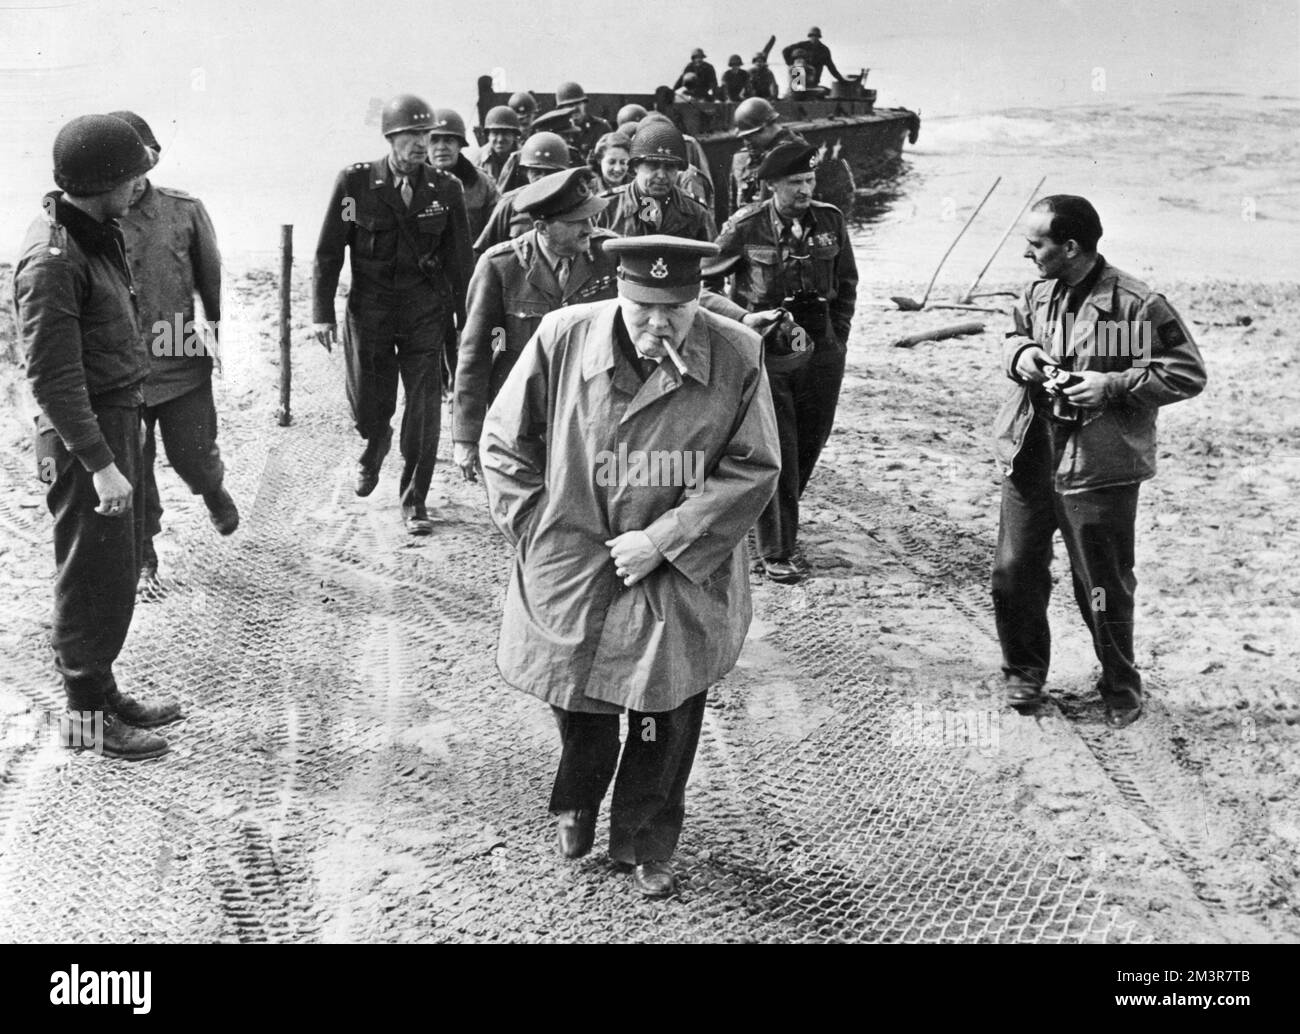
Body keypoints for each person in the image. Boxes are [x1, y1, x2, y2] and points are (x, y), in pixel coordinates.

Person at [480, 235, 780, 897]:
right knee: (578, 694)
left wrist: (666, 540)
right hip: (576, 552)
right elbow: (505, 441)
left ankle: (646, 841)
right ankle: (577, 802)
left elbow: (753, 467)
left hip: (676, 565)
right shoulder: (563, 336)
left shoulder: (737, 353)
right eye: (641, 307)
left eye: (673, 312)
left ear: (697, 299)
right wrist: (534, 528)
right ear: (617, 289)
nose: (655, 324)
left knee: (665, 710)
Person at [991, 195, 1206, 729]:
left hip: (1098, 462)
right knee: (1014, 571)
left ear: (1070, 247)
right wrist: (1022, 357)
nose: (1026, 253)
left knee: (1102, 583)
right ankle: (1024, 672)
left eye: (1035, 244)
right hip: (1031, 449)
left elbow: (1185, 372)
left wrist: (1110, 386)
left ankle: (1120, 684)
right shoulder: (1039, 291)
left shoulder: (1136, 304)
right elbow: (1013, 332)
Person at [14, 113, 183, 759]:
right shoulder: (53, 259)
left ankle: (103, 695)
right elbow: (52, 379)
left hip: (114, 416)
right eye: (134, 174)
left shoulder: (94, 233)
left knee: (112, 573)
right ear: (103, 179)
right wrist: (102, 465)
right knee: (90, 578)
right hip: (86, 431)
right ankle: (87, 725)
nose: (142, 185)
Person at [312, 93, 473, 535]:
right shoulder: (355, 185)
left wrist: (465, 321)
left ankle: (414, 500)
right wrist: (321, 313)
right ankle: (375, 441)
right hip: (371, 313)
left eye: (427, 135)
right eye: (411, 135)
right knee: (368, 405)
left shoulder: (446, 189)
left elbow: (461, 261)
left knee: (423, 411)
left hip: (425, 313)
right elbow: (330, 250)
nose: (421, 144)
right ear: (390, 137)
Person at [704, 142, 857, 584]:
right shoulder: (747, 225)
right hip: (769, 349)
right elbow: (701, 286)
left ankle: (772, 518)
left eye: (810, 181)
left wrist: (838, 337)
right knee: (780, 447)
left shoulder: (830, 219)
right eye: (795, 183)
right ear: (772, 185)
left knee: (811, 441)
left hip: (821, 347)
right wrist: (743, 318)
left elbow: (847, 282)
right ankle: (776, 549)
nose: (805, 190)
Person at [110, 111, 237, 586]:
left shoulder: (184, 210)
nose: (135, 176)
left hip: (178, 348)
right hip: (122, 365)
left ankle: (212, 489)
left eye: (143, 161)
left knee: (193, 452)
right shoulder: (98, 217)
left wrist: (220, 339)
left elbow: (212, 281)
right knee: (133, 466)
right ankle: (144, 554)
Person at [453, 167, 618, 482]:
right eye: (577, 221)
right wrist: (466, 436)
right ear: (542, 227)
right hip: (521, 408)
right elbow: (476, 355)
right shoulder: (501, 267)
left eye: (591, 217)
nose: (590, 227)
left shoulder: (609, 254)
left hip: (590, 404)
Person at [728, 97, 855, 216]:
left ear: (766, 127)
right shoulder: (763, 152)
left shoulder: (788, 153)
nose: (746, 142)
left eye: (750, 136)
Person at [596, 120, 716, 241]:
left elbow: (712, 257)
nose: (661, 175)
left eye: (669, 167)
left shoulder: (696, 212)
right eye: (653, 165)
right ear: (635, 166)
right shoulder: (605, 208)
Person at [474, 131, 572, 254]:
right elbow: (485, 251)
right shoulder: (510, 204)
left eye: (550, 172)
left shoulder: (575, 201)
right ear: (526, 172)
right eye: (536, 172)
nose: (542, 178)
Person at [427, 108, 500, 240]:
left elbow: (497, 230)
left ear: (460, 145)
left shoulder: (482, 184)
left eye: (449, 140)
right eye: (434, 140)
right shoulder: (410, 183)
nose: (441, 147)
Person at [555, 81, 612, 162]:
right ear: (561, 109)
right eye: (569, 105)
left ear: (584, 104)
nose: (575, 108)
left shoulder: (601, 127)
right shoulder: (556, 131)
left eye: (578, 103)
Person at [781, 26, 846, 90]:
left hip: (813, 83)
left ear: (819, 37)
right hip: (799, 84)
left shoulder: (824, 50)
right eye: (812, 36)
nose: (814, 38)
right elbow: (785, 51)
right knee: (798, 65)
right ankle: (799, 89)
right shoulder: (802, 45)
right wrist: (790, 63)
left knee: (824, 91)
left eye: (816, 36)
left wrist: (841, 80)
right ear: (809, 36)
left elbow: (831, 68)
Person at [473, 105, 522, 189]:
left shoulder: (525, 158)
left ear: (514, 136)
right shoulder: (478, 160)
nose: (500, 139)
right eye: (495, 133)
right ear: (488, 136)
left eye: (505, 133)